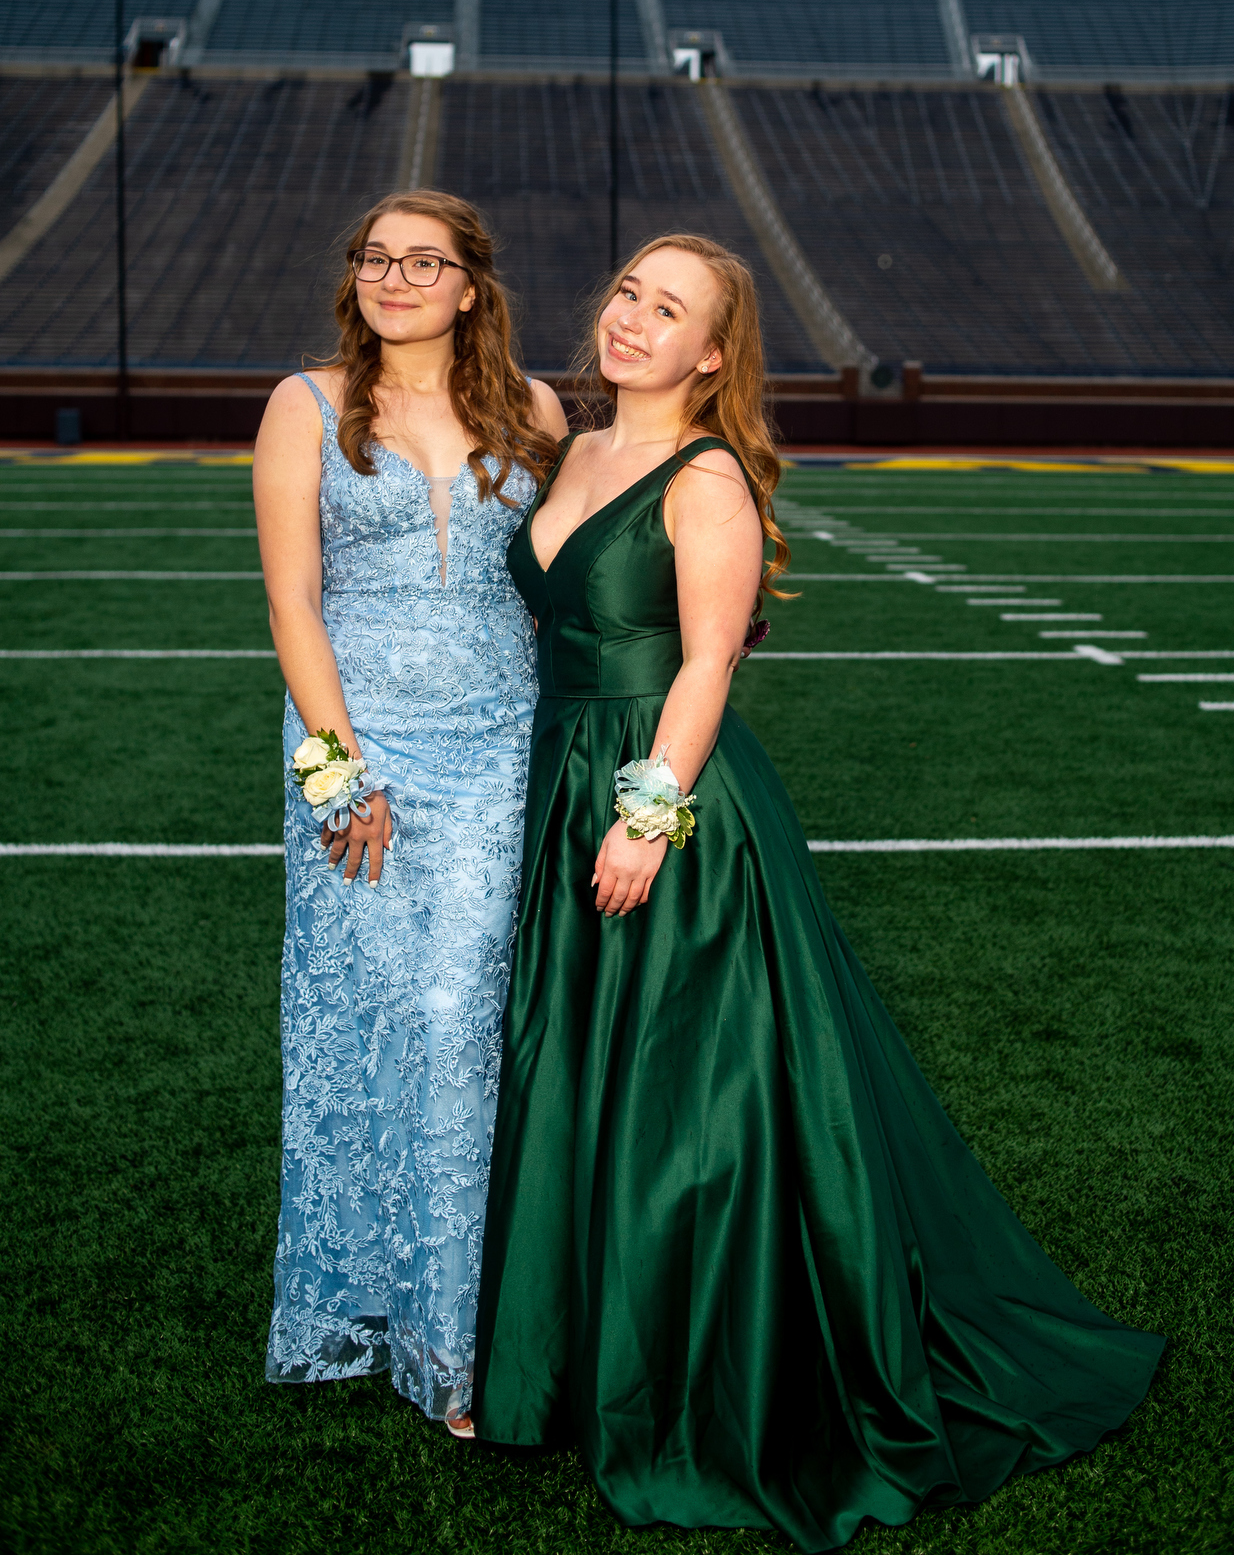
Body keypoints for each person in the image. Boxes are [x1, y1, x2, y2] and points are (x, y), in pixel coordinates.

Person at [471, 233, 1163, 1550]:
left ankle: (697, 1383)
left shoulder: (709, 474)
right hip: (563, 779)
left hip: (660, 808)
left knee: (686, 1109)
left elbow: (707, 664)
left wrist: (646, 818)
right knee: (576, 1077)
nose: (631, 319)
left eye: (666, 309)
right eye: (626, 291)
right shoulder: (573, 445)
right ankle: (565, 1365)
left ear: (712, 353)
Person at [253, 189, 566, 1436]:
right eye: (376, 257)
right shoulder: (308, 403)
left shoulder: (534, 411)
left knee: (455, 1022)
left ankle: (457, 1340)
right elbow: (293, 604)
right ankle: (358, 1303)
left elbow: (564, 579)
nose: (395, 276)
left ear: (469, 285)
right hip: (357, 743)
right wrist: (338, 771)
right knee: (357, 1022)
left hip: (498, 746)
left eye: (423, 260)